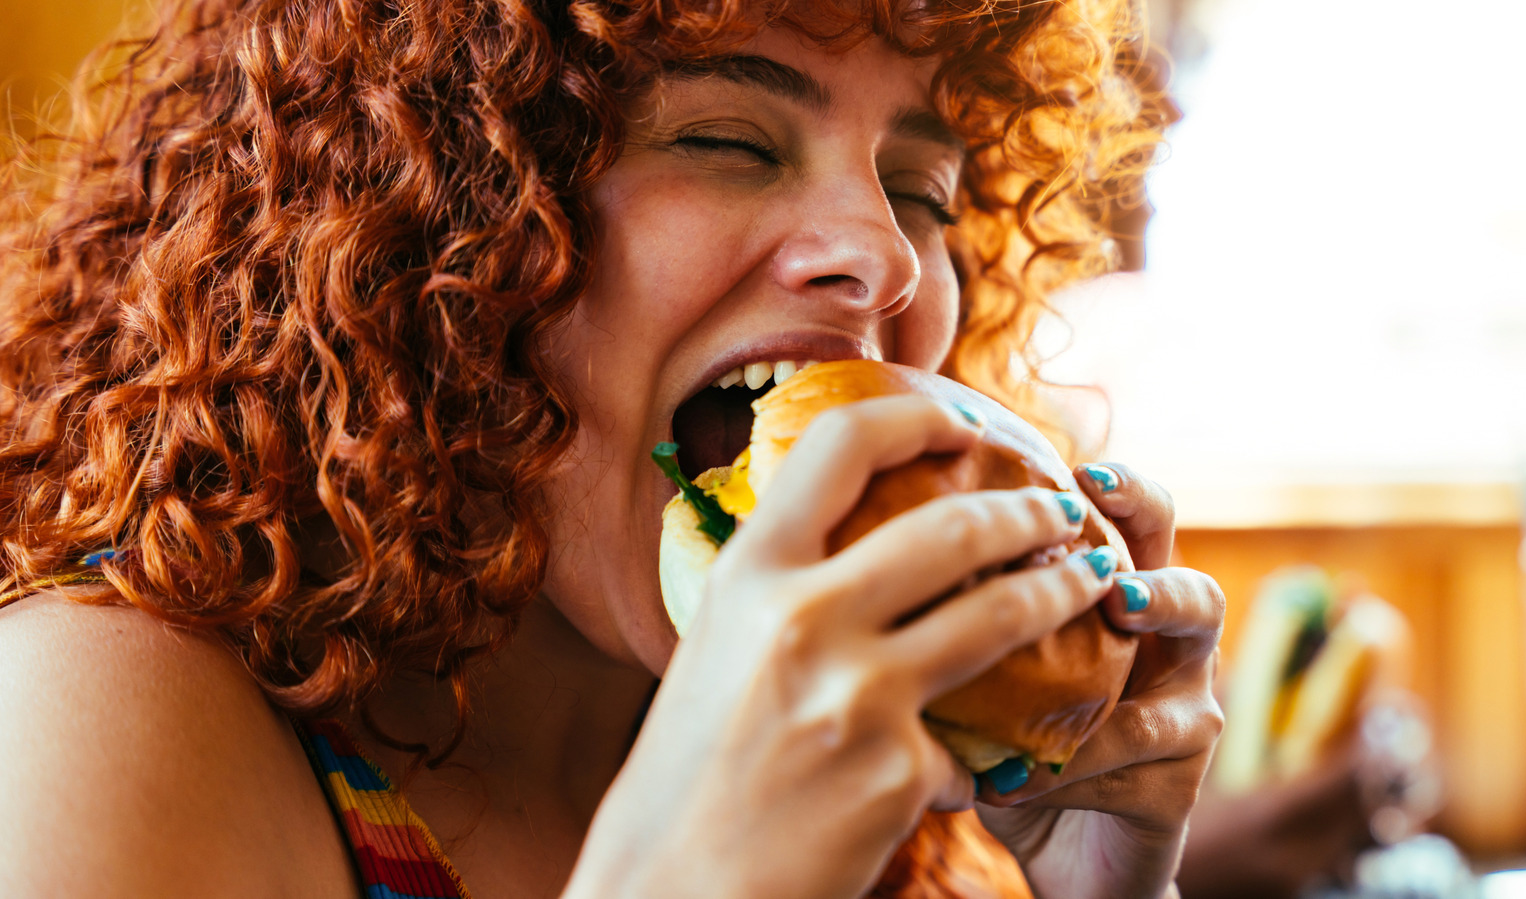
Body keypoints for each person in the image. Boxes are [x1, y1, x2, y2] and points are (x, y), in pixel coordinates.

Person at [0, 1, 1224, 896]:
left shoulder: (870, 756)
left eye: (921, 190)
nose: (887, 254)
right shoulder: (94, 711)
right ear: (434, 224)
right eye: (729, 142)